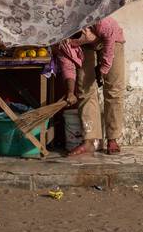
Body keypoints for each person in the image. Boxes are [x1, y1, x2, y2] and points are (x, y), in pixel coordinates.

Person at [54, 16, 126, 156]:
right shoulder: (63, 39)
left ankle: (112, 138)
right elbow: (67, 66)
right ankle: (89, 141)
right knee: (84, 89)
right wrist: (70, 92)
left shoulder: (100, 20)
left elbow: (109, 41)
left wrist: (102, 70)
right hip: (86, 47)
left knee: (113, 90)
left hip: (112, 41)